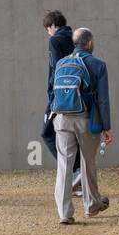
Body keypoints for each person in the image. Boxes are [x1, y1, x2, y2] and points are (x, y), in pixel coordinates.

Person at [51, 27, 113, 225]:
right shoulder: (98, 65)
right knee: (88, 162)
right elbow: (103, 99)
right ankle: (91, 205)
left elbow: (52, 91)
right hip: (86, 120)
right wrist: (106, 126)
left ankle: (64, 213)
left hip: (61, 118)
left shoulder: (61, 62)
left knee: (64, 165)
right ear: (90, 43)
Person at [41, 10, 80, 190]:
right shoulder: (74, 38)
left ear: (52, 26)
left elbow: (57, 67)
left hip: (59, 95)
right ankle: (78, 176)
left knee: (47, 133)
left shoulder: (55, 40)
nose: (47, 32)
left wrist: (53, 95)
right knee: (73, 134)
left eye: (47, 28)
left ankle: (74, 171)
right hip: (77, 93)